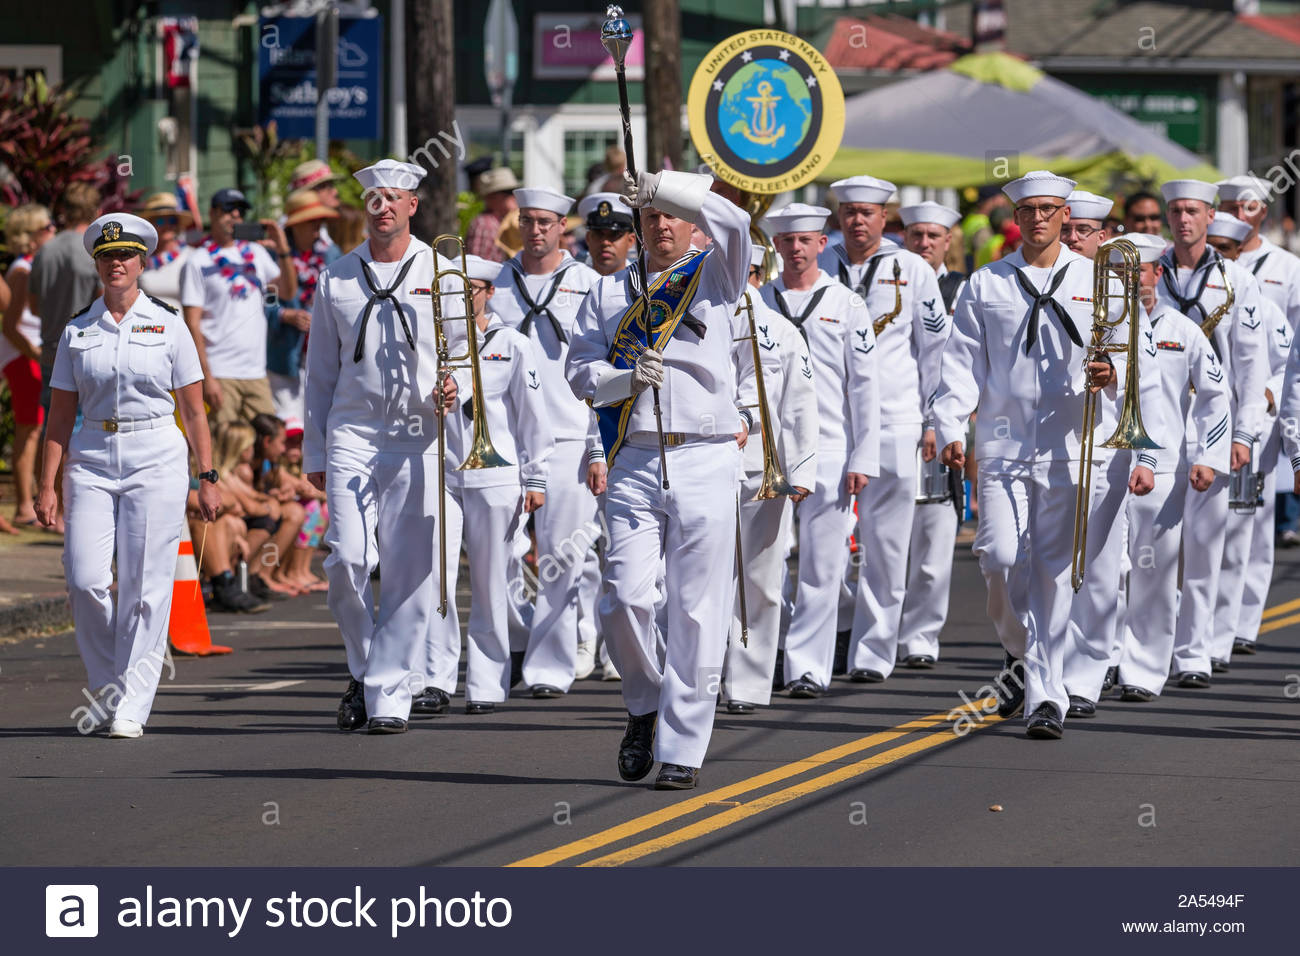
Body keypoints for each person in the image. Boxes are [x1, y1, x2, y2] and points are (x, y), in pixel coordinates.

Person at [566, 168, 752, 790]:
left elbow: (738, 220)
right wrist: (622, 381)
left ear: (690, 218)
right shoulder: (606, 291)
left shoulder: (717, 274)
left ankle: (682, 747)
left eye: (670, 213)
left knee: (698, 609)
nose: (661, 225)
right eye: (649, 216)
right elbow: (579, 369)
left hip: (706, 454)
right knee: (624, 596)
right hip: (635, 454)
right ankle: (644, 705)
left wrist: (663, 183)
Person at [934, 170, 1126, 739]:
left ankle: (1047, 694)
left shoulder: (1099, 279)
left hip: (1070, 445)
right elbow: (962, 363)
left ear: (1066, 216)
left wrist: (1111, 373)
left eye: (1049, 209)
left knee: (1050, 572)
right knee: (996, 557)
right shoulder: (986, 283)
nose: (1038, 218)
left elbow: (1128, 355)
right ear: (1016, 218)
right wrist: (950, 423)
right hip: (1002, 442)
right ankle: (1021, 652)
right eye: (1028, 210)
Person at [37, 213, 221, 737]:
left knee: (145, 585)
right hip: (92, 452)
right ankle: (105, 683)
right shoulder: (78, 328)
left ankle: (132, 704)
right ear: (96, 264)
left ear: (143, 262)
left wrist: (206, 474)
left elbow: (195, 408)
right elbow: (59, 414)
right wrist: (45, 485)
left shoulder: (168, 323)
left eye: (126, 256)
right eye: (107, 256)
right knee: (86, 578)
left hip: (156, 452)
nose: (117, 263)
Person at [304, 159, 462, 735]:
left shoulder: (444, 272)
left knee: (409, 570)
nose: (384, 208)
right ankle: (367, 666)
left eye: (394, 198)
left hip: (419, 435)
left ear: (413, 207)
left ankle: (388, 696)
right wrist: (314, 453)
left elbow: (465, 354)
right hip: (353, 432)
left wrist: (457, 385)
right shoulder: (337, 276)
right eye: (375, 199)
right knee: (348, 559)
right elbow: (319, 372)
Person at [819, 175, 946, 685]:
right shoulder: (821, 261)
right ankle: (831, 635)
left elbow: (936, 352)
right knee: (823, 540)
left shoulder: (911, 268)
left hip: (896, 418)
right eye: (848, 211)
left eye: (867, 212)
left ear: (884, 217)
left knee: (886, 543)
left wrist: (935, 418)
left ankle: (873, 652)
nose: (856, 220)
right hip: (830, 423)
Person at [425, 254, 555, 714]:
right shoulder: (430, 345)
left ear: (488, 293)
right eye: (451, 293)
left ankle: (485, 681)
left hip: (494, 473)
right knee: (435, 574)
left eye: (470, 291)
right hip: (439, 469)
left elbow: (532, 417)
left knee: (490, 578)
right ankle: (436, 678)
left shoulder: (513, 344)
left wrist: (535, 475)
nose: (460, 301)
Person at [490, 185, 604, 699]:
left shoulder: (589, 283)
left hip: (569, 435)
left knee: (559, 557)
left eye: (545, 222)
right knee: (501, 555)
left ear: (563, 228)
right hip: (503, 437)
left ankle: (550, 667)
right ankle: (516, 643)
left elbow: (607, 368)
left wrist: (600, 445)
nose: (535, 231)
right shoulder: (496, 282)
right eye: (528, 221)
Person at [763, 203, 879, 698]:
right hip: (768, 451)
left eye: (804, 241)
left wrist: (863, 455)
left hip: (830, 447)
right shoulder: (759, 301)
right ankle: (762, 661)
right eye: (786, 241)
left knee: (822, 564)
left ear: (821, 245)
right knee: (765, 565)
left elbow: (865, 385)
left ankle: (808, 666)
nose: (795, 249)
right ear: (775, 247)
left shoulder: (847, 303)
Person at [1055, 190, 1161, 715]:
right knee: (1032, 564)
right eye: (1067, 227)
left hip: (1103, 445)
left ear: (1105, 237)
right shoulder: (1036, 279)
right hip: (1046, 446)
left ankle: (1084, 676)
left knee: (1097, 570)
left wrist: (1115, 375)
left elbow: (1149, 375)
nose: (1072, 237)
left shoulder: (1117, 289)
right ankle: (1040, 663)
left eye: (1083, 230)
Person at [1111, 231, 1230, 700]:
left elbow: (1215, 396)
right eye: (1120, 273)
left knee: (1154, 571)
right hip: (1105, 463)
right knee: (1106, 570)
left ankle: (1141, 669)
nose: (1130, 280)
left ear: (1156, 273)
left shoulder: (1183, 330)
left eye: (1137, 270)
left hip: (1164, 466)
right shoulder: (1098, 325)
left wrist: (1207, 456)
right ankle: (1104, 656)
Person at [1159, 179, 1268, 687]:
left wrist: (1245, 435)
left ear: (1209, 217)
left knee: (1203, 548)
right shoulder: (1147, 274)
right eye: (1176, 211)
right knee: (1149, 550)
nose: (1184, 220)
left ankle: (1194, 652)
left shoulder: (1236, 279)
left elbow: (1250, 363)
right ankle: (1144, 651)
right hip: (1156, 425)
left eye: (1193, 211)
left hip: (1212, 426)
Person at [721, 244, 817, 713]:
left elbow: (799, 404)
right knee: (700, 582)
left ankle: (748, 684)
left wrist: (800, 469)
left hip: (763, 467)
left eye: (746, 271)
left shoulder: (782, 330)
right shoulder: (698, 322)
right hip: (707, 467)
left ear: (758, 274)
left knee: (759, 582)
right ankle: (699, 682)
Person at [1202, 211, 1291, 664]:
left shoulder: (1259, 302)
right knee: (1193, 541)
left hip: (1247, 428)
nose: (1215, 255)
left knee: (1243, 535)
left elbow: (1283, 364)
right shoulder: (1182, 294)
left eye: (1225, 248)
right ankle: (1193, 634)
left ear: (1239, 253)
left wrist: (1268, 400)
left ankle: (1236, 628)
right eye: (1209, 245)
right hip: (1194, 431)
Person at [897, 200, 966, 670]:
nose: (923, 244)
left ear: (947, 243)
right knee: (883, 541)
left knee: (934, 539)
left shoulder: (964, 289)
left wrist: (944, 424)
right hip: (894, 419)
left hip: (943, 425)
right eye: (916, 236)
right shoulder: (891, 282)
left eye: (932, 237)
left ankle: (921, 634)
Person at [1217, 175, 1300, 552]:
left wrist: (1272, 395)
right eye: (1230, 208)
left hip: (1264, 407)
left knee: (1252, 532)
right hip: (1210, 403)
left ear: (1262, 213)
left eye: (1246, 208)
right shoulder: (1208, 259)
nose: (1238, 215)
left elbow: (1293, 351)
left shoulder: (1287, 267)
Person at [180, 187, 296, 428]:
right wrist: (207, 377)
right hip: (220, 373)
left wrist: (282, 248)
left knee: (269, 447)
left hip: (256, 372)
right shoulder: (197, 261)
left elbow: (287, 291)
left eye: (240, 211)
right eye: (227, 209)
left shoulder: (256, 253)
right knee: (227, 450)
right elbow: (192, 324)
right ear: (212, 213)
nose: (235, 215)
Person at [267, 189, 342, 423]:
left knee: (320, 421)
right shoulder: (273, 255)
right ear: (294, 226)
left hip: (321, 352)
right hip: (284, 353)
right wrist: (284, 314)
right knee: (290, 424)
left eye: (319, 222)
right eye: (310, 222)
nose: (316, 228)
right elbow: (263, 301)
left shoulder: (331, 254)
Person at [2, 203, 55, 526]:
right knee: (30, 428)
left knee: (37, 428)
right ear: (32, 233)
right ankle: (23, 505)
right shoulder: (23, 269)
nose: (52, 231)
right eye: (46, 226)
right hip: (22, 355)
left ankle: (31, 501)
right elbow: (11, 324)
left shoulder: (35, 265)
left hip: (31, 353)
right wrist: (36, 354)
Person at [29, 181, 101, 412]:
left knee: (53, 428)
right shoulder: (94, 251)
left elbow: (34, 307)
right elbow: (104, 303)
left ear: (64, 211)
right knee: (85, 432)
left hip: (51, 351)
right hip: (89, 351)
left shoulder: (45, 251)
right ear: (96, 212)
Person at [136, 191, 196, 311]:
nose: (167, 225)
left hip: (181, 326)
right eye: (160, 221)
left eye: (172, 221)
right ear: (150, 225)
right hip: (148, 327)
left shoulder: (191, 256)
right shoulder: (140, 259)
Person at [465, 167, 520, 263]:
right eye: (508, 192)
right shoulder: (484, 224)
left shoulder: (505, 220)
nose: (514, 196)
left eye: (515, 191)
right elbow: (477, 267)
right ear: (491, 197)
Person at [578, 192, 637, 276]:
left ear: (631, 240)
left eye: (615, 235)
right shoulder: (572, 280)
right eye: (598, 234)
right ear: (588, 238)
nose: (605, 242)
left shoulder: (641, 282)